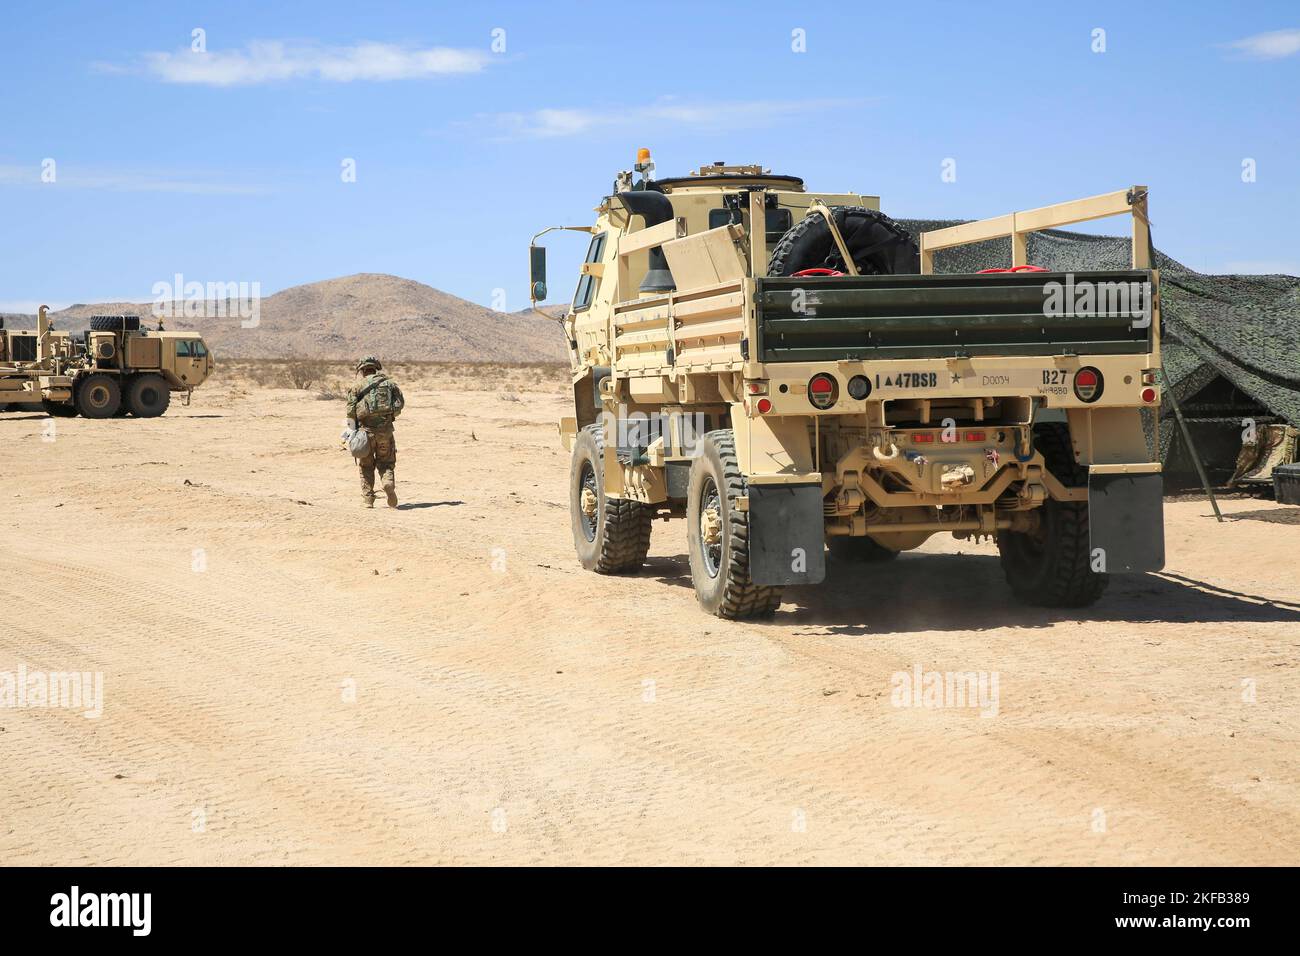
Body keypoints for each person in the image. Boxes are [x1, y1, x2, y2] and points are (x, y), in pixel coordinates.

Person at [346, 356, 404, 508]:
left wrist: (350, 433)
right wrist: (389, 417)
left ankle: (368, 500)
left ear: (362, 370)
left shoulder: (356, 387)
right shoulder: (389, 384)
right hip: (386, 432)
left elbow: (350, 412)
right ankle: (387, 483)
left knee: (366, 465)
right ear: (376, 368)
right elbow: (400, 404)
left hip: (365, 433)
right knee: (386, 462)